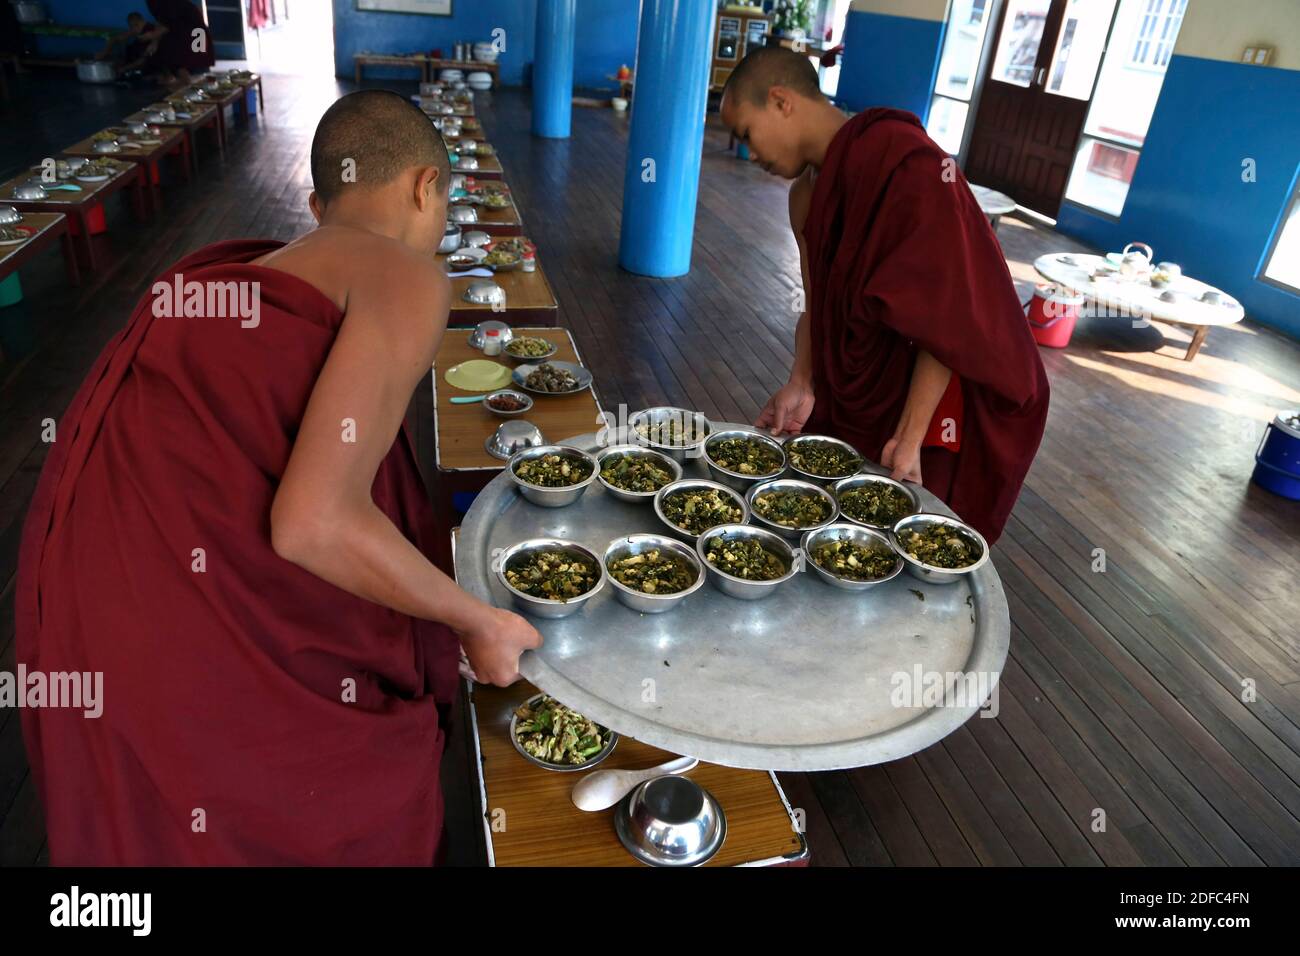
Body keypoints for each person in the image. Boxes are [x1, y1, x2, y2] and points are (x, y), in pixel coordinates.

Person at [17, 90, 541, 865]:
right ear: (427, 186)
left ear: (316, 204)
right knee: (349, 796)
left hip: (98, 614)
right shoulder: (404, 274)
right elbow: (313, 523)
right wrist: (477, 620)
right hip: (185, 637)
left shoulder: (246, 274)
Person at [719, 47, 1049, 544]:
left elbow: (947, 319)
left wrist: (910, 437)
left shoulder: (906, 164)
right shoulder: (804, 197)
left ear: (781, 101)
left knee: (906, 542)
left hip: (925, 399)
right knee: (834, 534)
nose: (750, 152)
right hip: (852, 391)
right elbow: (818, 303)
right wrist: (801, 381)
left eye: (746, 132)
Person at [144, 0, 215, 88]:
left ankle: (198, 91)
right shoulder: (157, 4)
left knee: (197, 72)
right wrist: (155, 41)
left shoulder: (166, 5)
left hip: (191, 35)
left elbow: (170, 21)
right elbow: (163, 21)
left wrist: (154, 35)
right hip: (191, 35)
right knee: (193, 69)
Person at [96, 12, 162, 78]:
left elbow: (143, 61)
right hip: (137, 60)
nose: (133, 29)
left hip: (149, 66)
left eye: (136, 25)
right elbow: (115, 38)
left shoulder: (151, 34)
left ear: (141, 22)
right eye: (131, 26)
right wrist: (105, 51)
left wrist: (124, 69)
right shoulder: (137, 29)